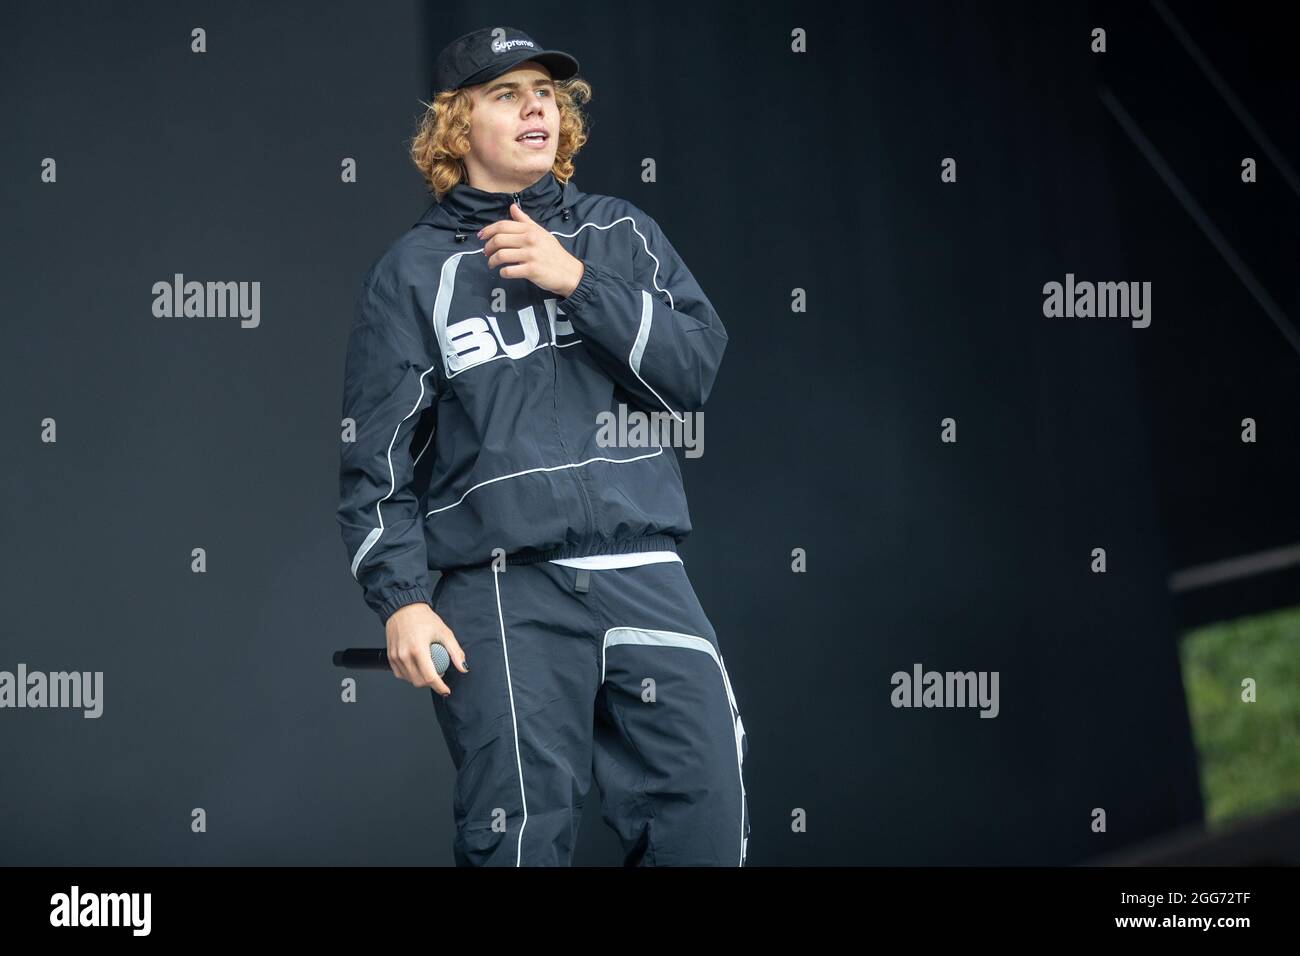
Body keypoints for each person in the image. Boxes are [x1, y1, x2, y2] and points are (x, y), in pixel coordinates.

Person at [336, 26, 749, 866]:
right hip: (500, 592)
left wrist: (575, 279)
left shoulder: (620, 234)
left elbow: (695, 368)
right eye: (505, 93)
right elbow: (374, 459)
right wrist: (402, 599)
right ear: (456, 126)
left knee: (703, 819)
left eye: (546, 94)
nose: (537, 107)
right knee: (517, 837)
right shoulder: (413, 272)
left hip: (646, 572)